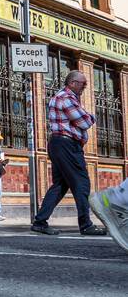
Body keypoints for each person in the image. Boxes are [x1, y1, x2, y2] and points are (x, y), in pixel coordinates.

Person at [32, 69, 107, 236]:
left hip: (60, 145)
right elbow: (85, 121)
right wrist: (90, 116)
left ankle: (40, 221)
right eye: (83, 84)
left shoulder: (66, 97)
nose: (85, 87)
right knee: (82, 183)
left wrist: (87, 116)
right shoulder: (66, 98)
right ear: (72, 83)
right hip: (67, 145)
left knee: (60, 184)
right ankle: (86, 225)